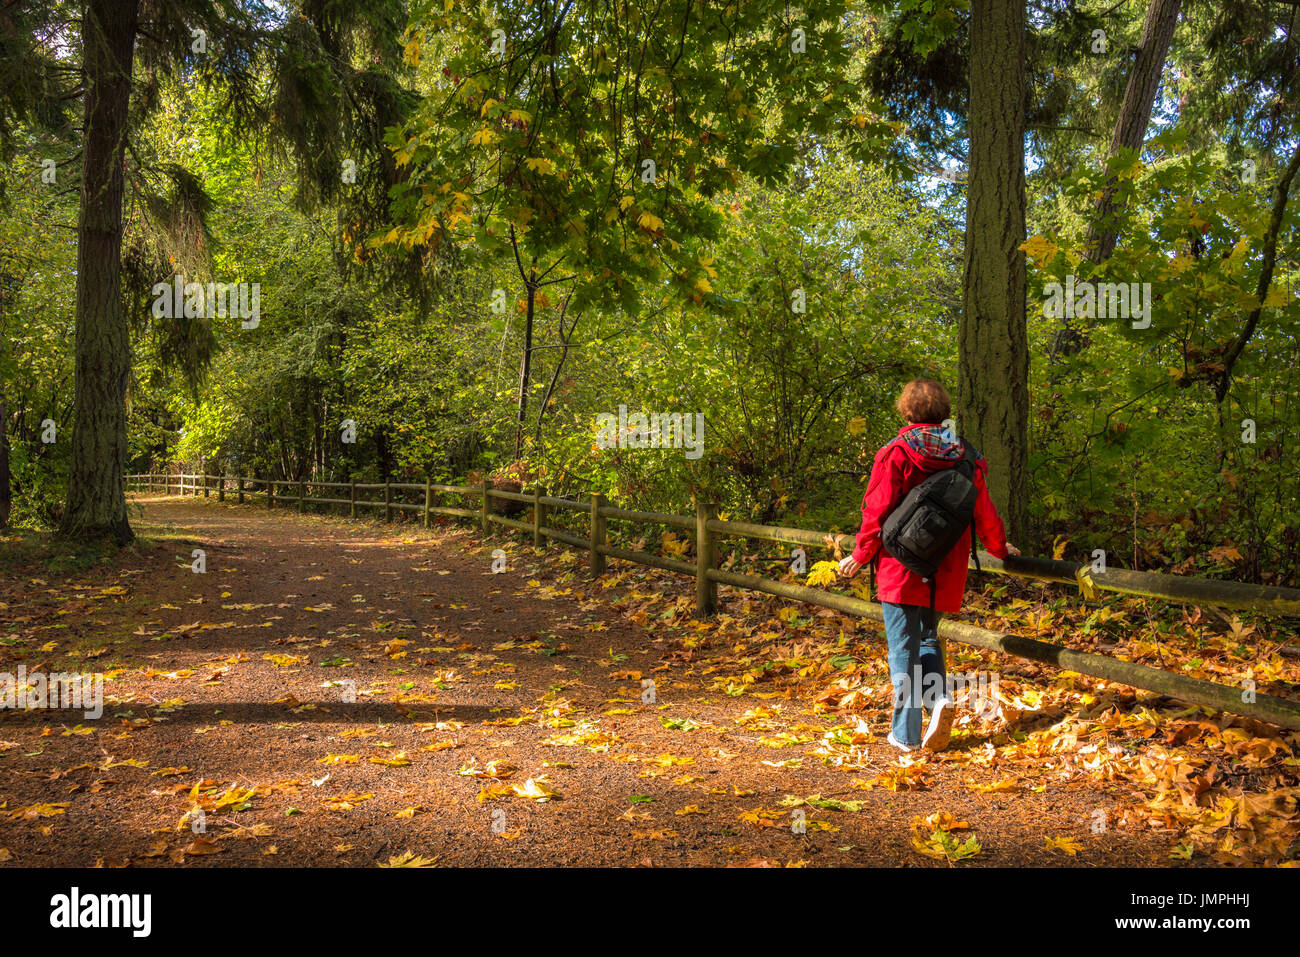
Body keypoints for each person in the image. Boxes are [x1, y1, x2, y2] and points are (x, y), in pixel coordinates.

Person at [838, 379, 1020, 753]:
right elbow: (984, 513)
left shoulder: (896, 453)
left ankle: (905, 734)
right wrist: (1000, 550)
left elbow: (876, 511)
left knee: (902, 646)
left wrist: (860, 555)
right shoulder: (968, 456)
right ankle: (938, 701)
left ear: (906, 412)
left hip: (901, 564)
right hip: (947, 564)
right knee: (928, 637)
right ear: (944, 412)